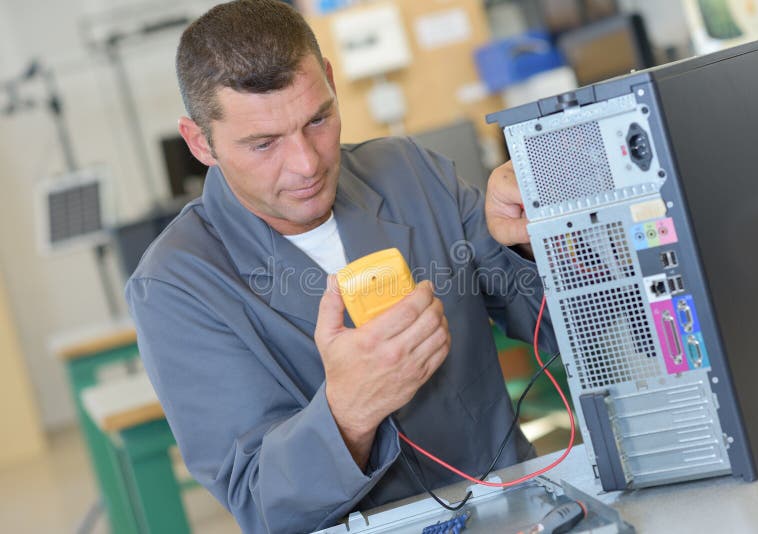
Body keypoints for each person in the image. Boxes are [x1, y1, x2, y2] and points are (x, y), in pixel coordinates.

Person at [125, 1, 556, 532]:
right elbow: (261, 505)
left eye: (318, 119)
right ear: (200, 143)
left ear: (329, 80)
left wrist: (541, 242)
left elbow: (568, 329)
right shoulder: (175, 284)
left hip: (520, 510)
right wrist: (347, 414)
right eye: (263, 144)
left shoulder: (409, 173)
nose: (306, 164)